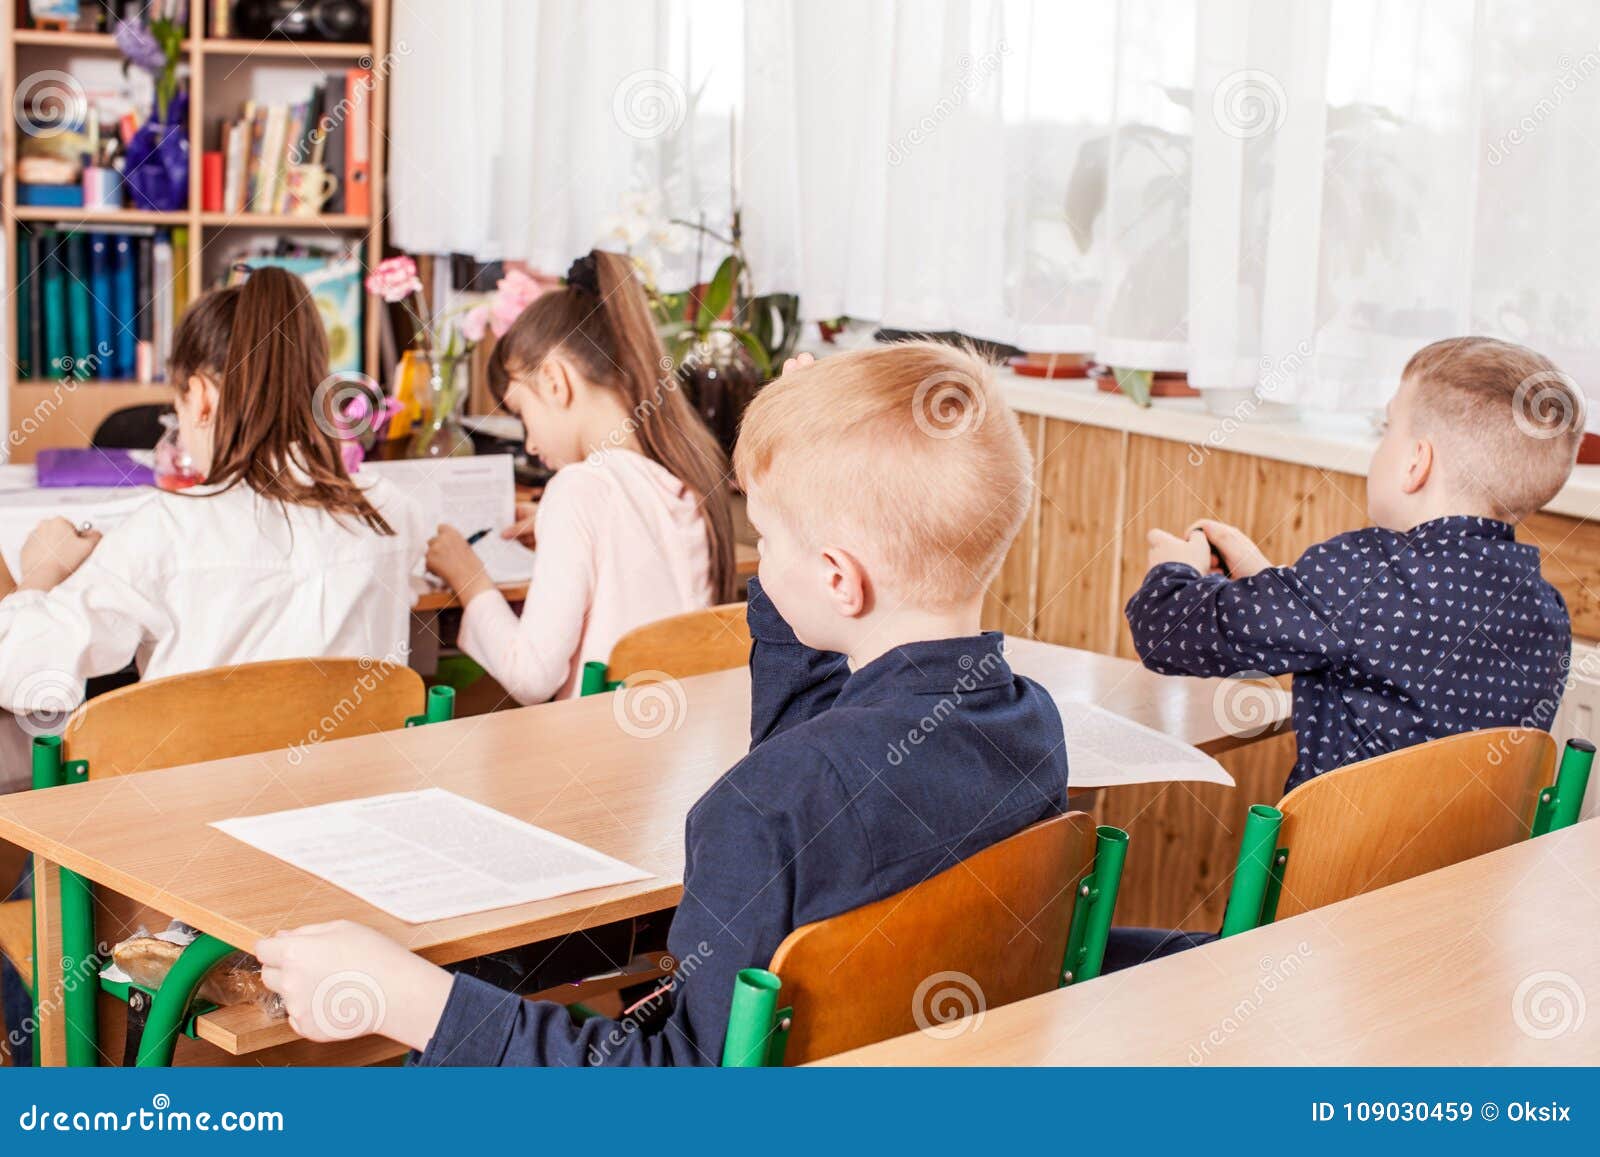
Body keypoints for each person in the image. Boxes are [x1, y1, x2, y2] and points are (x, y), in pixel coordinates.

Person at [256, 341, 1070, 1065]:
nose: (760, 561)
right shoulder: (1029, 728)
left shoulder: (760, 811)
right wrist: (793, 466)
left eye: (771, 541)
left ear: (837, 579)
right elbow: (819, 746)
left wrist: (413, 999)